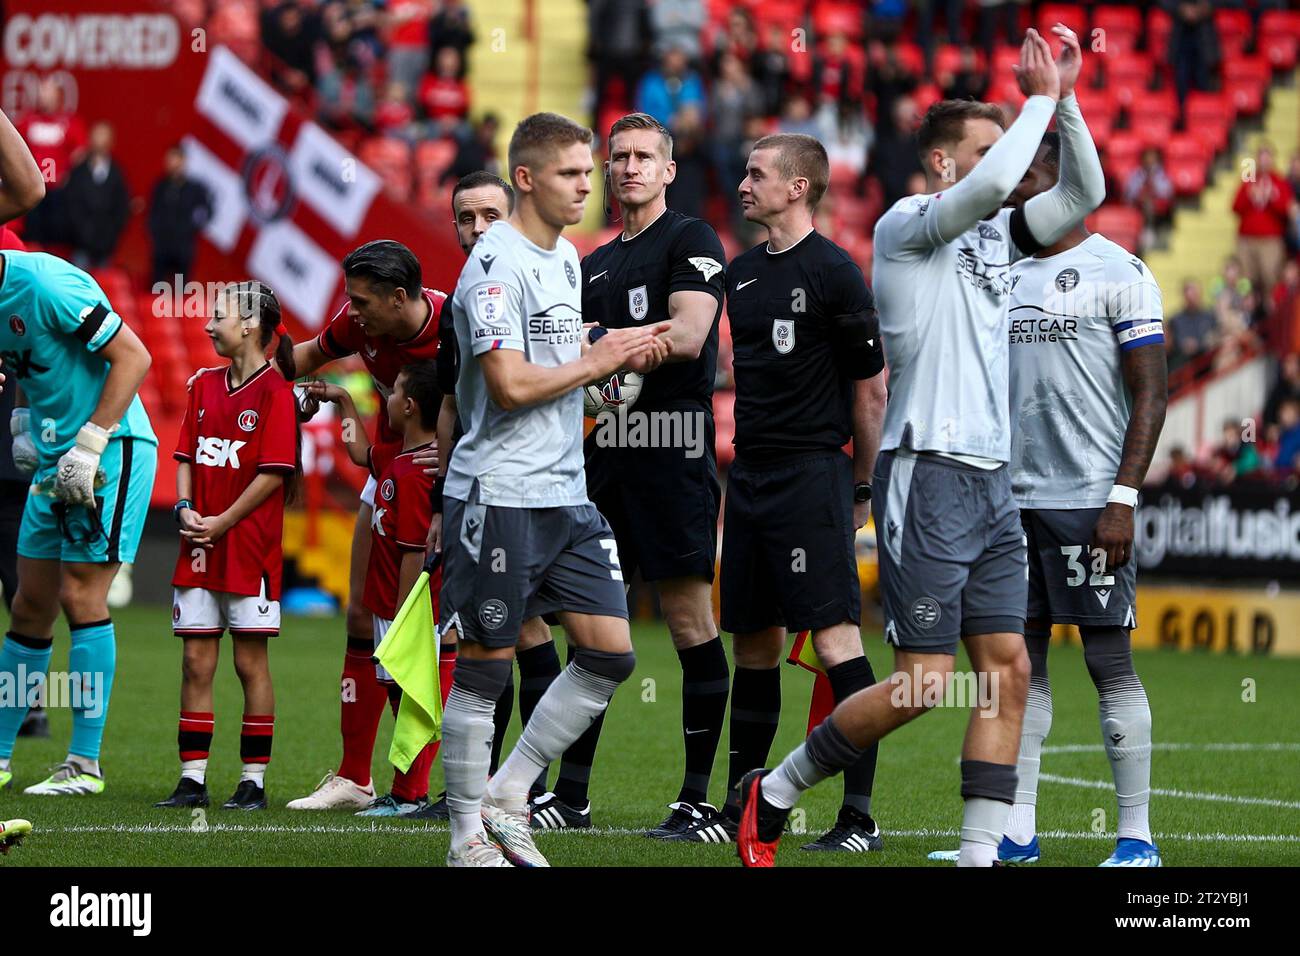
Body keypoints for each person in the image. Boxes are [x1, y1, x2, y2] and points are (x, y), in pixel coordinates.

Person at [735, 26, 1105, 868]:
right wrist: (1036, 100)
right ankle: (779, 788)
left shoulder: (995, 239)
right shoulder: (909, 225)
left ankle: (978, 856)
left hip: (991, 481)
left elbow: (1085, 190)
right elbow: (998, 184)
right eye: (983, 149)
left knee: (1006, 668)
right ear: (944, 164)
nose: (1008, 166)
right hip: (925, 474)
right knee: (925, 684)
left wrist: (1068, 101)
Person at [435, 111, 671, 866]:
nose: (589, 185)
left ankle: (510, 794)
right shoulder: (494, 268)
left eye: (589, 172)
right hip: (498, 492)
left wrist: (608, 372)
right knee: (485, 661)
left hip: (565, 492)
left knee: (610, 654)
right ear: (527, 179)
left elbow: (562, 369)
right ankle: (465, 836)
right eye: (573, 173)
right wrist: (601, 360)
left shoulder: (567, 257)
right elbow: (505, 386)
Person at [531, 112, 729, 837]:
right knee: (595, 631)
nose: (630, 167)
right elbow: (563, 358)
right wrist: (592, 349)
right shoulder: (594, 264)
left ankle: (697, 801)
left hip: (673, 455)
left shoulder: (692, 240)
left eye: (645, 156)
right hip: (606, 456)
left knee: (688, 620)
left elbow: (688, 335)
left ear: (669, 170)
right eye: (618, 157)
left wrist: (599, 344)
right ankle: (572, 798)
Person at [718, 132, 889, 854]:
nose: (744, 183)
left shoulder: (836, 273)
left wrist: (861, 487)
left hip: (813, 475)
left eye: (757, 173)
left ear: (798, 187)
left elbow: (871, 391)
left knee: (835, 639)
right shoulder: (742, 273)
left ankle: (858, 818)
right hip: (749, 477)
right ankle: (743, 803)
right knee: (754, 647)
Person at [1001, 132, 1167, 867]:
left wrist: (1123, 497)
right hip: (1006, 503)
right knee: (1018, 666)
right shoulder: (997, 269)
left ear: (1063, 182)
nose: (1009, 187)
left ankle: (1136, 839)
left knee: (1108, 661)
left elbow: (1152, 393)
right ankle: (1016, 833)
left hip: (1088, 500)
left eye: (1025, 173)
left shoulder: (1118, 270)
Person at [284, 240, 447, 812]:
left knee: (424, 634)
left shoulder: (457, 326)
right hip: (387, 474)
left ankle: (419, 787)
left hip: (443, 491)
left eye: (360, 302)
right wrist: (245, 376)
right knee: (361, 616)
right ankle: (356, 778)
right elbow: (302, 356)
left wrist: (452, 478)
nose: (351, 313)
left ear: (399, 298)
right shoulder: (359, 323)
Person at [422, 172, 559, 820]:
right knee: (497, 635)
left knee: (532, 636)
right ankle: (488, 789)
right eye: (465, 217)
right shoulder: (461, 299)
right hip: (474, 492)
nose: (477, 229)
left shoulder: (544, 285)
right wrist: (440, 507)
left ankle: (530, 787)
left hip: (533, 489)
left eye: (489, 216)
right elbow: (451, 406)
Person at [0, 250, 157, 795]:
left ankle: (84, 765)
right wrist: (24, 419)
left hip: (110, 449)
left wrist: (90, 443)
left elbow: (134, 357)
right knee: (28, 602)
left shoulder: (46, 284)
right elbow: (28, 363)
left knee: (80, 596)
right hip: (52, 457)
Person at [156, 282, 299, 812]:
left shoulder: (275, 393)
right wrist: (185, 509)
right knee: (195, 660)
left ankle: (252, 782)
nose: (208, 324)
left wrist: (223, 522)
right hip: (199, 542)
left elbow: (273, 475)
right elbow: (187, 455)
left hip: (248, 547)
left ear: (249, 325)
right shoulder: (202, 384)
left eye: (218, 316)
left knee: (248, 663)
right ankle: (191, 779)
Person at [306, 363, 442, 816]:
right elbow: (359, 452)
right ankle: (403, 793)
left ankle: (410, 795)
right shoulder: (395, 458)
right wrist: (342, 401)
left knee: (412, 697)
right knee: (398, 693)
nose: (385, 399)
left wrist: (405, 618)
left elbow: (413, 554)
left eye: (393, 390)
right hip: (385, 603)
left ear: (409, 405)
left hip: (403, 608)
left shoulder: (418, 474)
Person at [64, 122, 131, 270]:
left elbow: (122, 208)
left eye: (104, 136)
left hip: (107, 245)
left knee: (105, 287)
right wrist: (81, 232)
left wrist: (110, 235)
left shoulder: (117, 173)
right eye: (96, 136)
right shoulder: (78, 172)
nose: (99, 141)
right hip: (80, 244)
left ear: (111, 142)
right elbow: (71, 205)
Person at [1232, 145, 1293, 303]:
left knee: (1269, 277)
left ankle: (1270, 311)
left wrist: (1272, 197)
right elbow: (1235, 207)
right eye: (1261, 157)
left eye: (1267, 157)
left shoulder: (1279, 181)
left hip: (1270, 241)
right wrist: (1249, 194)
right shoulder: (1249, 179)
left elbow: (1286, 210)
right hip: (1246, 240)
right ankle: (1246, 310)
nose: (1264, 161)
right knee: (1245, 279)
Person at [148, 146, 213, 285]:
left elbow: (206, 212)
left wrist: (191, 229)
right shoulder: (161, 186)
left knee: (179, 297)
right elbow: (152, 214)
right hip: (161, 250)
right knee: (155, 291)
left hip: (183, 250)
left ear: (183, 161)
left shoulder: (194, 189)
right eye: (169, 159)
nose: (171, 163)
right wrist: (155, 234)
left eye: (175, 159)